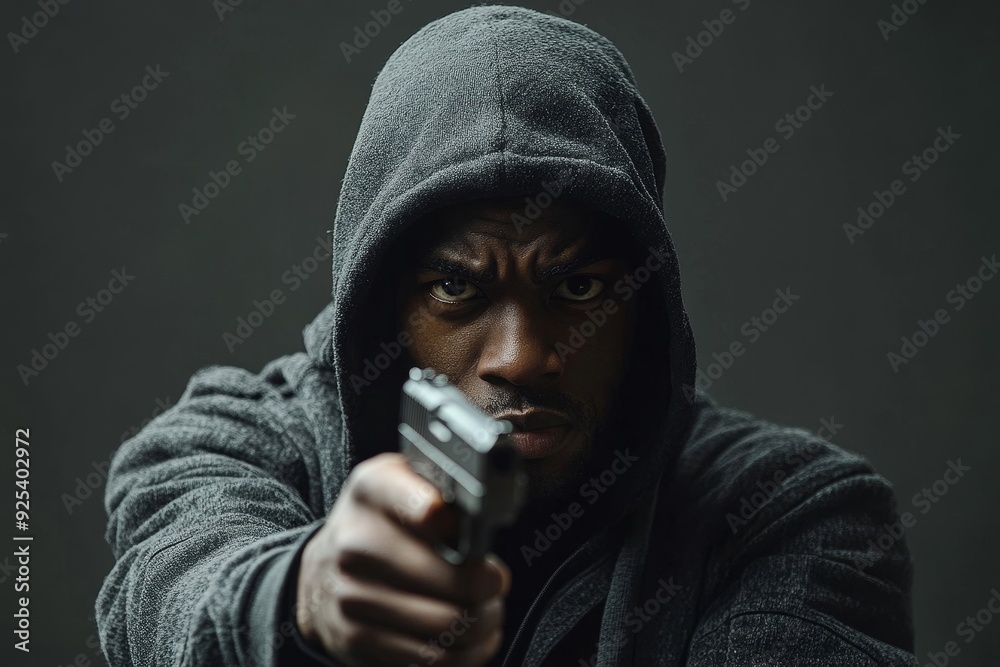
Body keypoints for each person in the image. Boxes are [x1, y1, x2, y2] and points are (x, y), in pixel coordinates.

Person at [96, 5, 916, 666]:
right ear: (381, 307)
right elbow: (174, 585)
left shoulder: (789, 510)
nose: (522, 355)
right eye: (457, 287)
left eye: (579, 288)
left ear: (645, 301)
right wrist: (301, 600)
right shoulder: (232, 441)